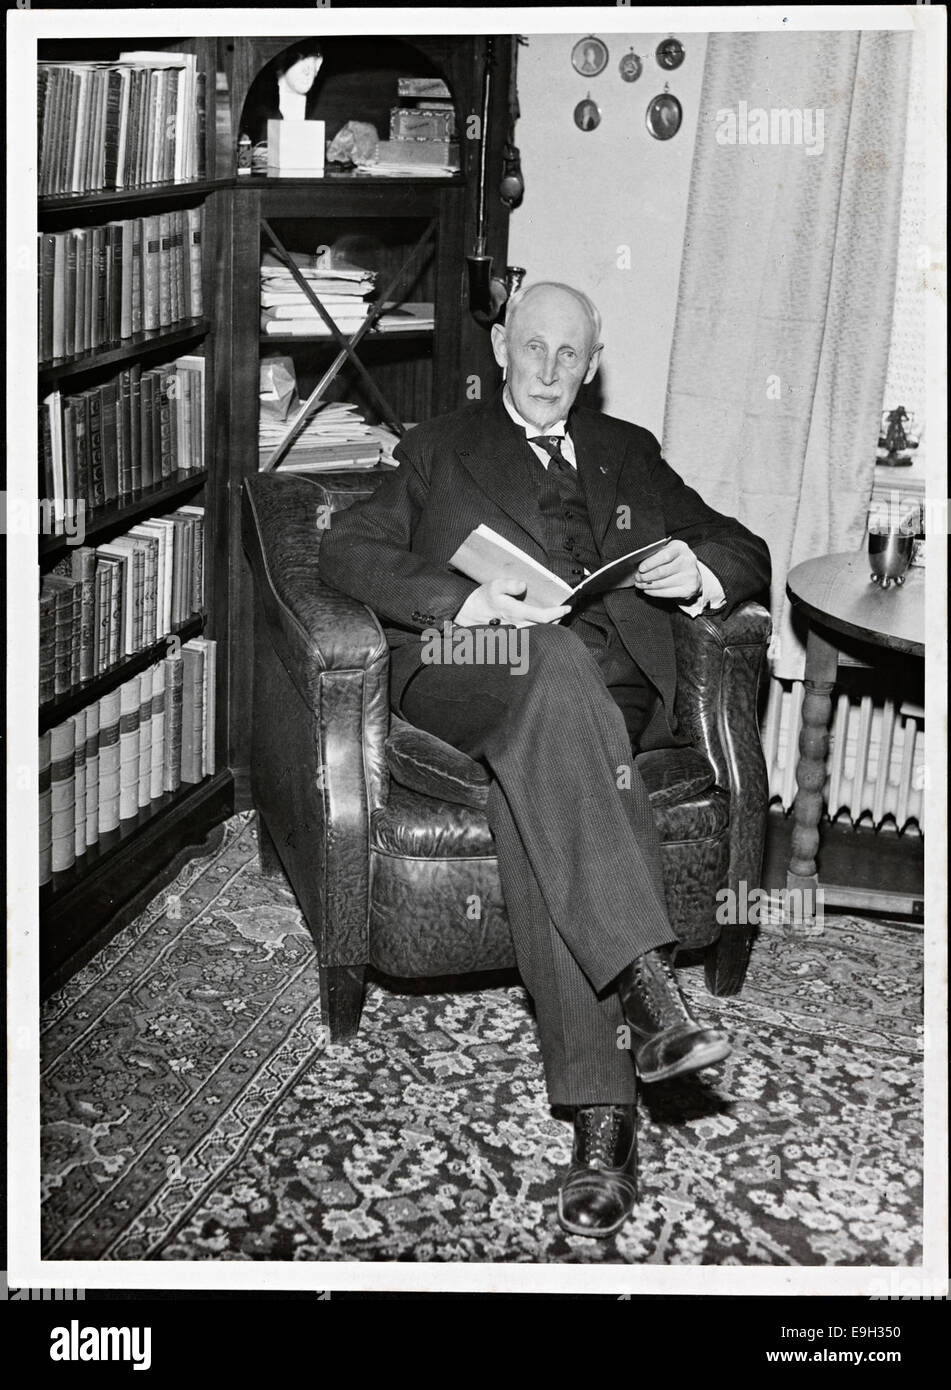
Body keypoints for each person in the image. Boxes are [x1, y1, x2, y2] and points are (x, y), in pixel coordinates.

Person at [318, 281, 771, 1239]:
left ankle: (602, 1121)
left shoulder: (628, 454)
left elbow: (742, 544)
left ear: (592, 361)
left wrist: (698, 571)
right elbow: (347, 552)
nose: (551, 370)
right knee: (548, 660)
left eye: (571, 355)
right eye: (533, 349)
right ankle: (648, 986)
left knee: (548, 770)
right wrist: (461, 604)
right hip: (468, 659)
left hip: (606, 701)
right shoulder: (439, 447)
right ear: (501, 350)